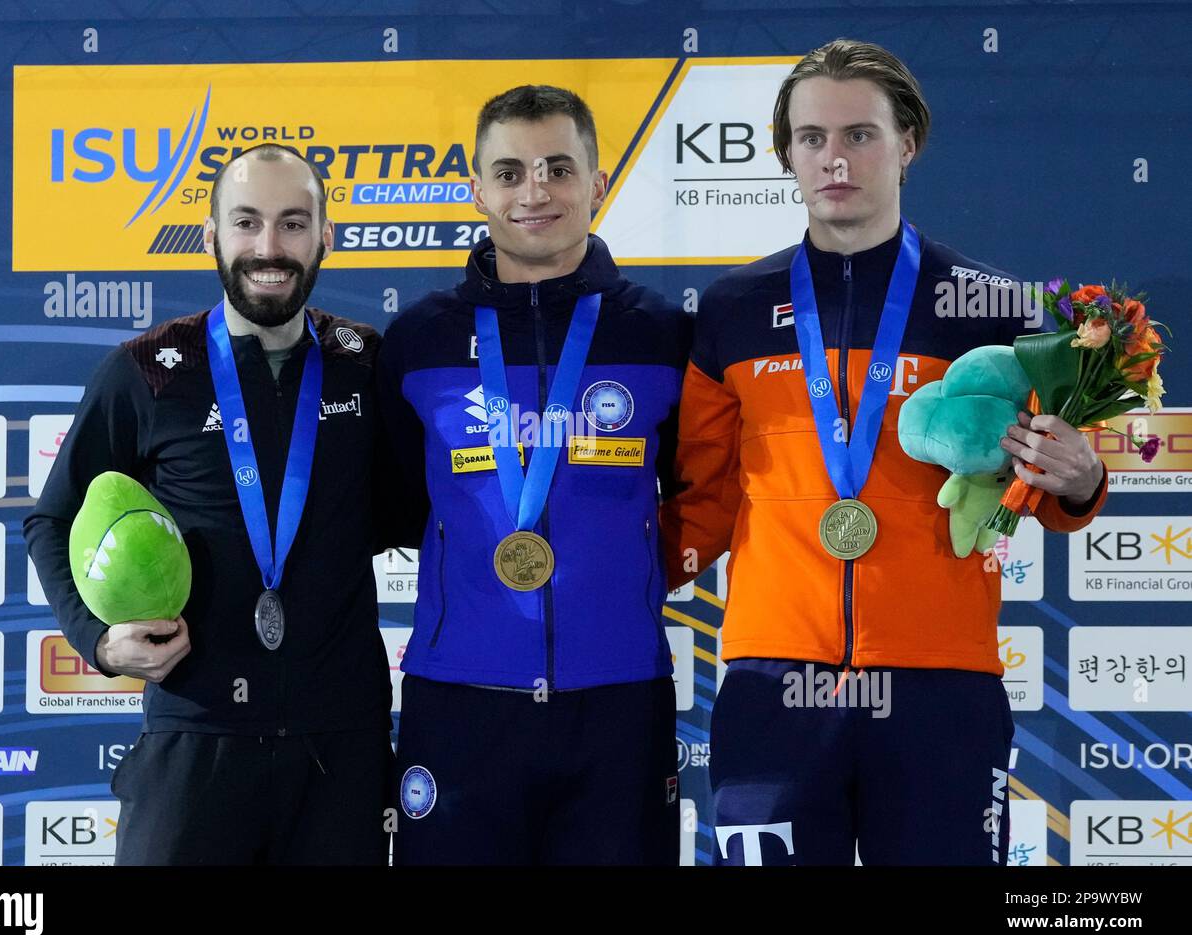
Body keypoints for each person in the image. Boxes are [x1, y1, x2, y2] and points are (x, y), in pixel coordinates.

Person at [661, 38, 1108, 866]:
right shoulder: (733, 310)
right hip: (774, 684)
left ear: (908, 144)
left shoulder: (988, 305)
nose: (836, 158)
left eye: (860, 135)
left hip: (941, 685)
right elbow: (706, 495)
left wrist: (1081, 481)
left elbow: (1040, 490)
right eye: (812, 138)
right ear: (786, 153)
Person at [24, 143, 395, 865]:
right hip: (195, 735)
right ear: (212, 237)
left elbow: (423, 504)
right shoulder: (148, 372)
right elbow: (52, 517)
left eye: (293, 224)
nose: (268, 247)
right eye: (247, 222)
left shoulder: (369, 364)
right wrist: (97, 642)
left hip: (340, 746)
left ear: (327, 235)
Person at [377, 85, 691, 865]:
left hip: (619, 701)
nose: (535, 191)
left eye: (558, 167)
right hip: (459, 702)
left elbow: (701, 493)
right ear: (477, 190)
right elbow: (392, 504)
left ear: (598, 182)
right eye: (510, 172)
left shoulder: (662, 333)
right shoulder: (421, 339)